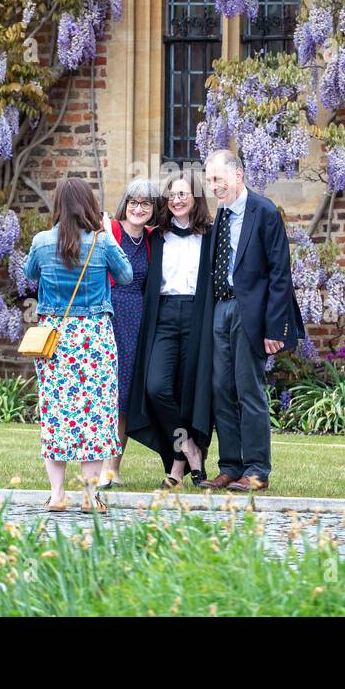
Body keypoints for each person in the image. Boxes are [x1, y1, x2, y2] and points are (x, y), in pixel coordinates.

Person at [196, 149, 304, 493]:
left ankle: (257, 469)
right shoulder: (222, 216)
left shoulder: (265, 212)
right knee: (221, 390)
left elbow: (280, 275)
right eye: (210, 180)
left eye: (219, 179)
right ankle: (230, 466)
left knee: (249, 389)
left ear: (238, 175)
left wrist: (275, 329)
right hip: (221, 309)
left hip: (250, 315)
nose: (214, 187)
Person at [22, 176, 132, 513]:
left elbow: (29, 274)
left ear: (57, 206)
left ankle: (57, 495)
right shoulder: (101, 242)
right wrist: (105, 233)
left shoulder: (42, 241)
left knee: (56, 412)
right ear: (89, 206)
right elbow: (125, 275)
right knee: (96, 414)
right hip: (95, 336)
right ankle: (89, 495)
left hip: (55, 336)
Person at [127, 169, 211, 488]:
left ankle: (177, 470)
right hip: (163, 314)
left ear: (195, 198)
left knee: (187, 393)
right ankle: (189, 448)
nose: (176, 200)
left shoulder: (210, 234)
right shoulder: (156, 236)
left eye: (182, 194)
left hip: (197, 315)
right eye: (171, 195)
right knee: (157, 388)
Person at [101, 177, 160, 489]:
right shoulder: (111, 230)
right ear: (126, 203)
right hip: (107, 314)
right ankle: (97, 465)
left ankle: (114, 468)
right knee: (104, 394)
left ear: (153, 209)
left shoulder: (151, 240)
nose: (139, 208)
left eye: (146, 203)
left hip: (136, 319)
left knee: (124, 397)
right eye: (134, 202)